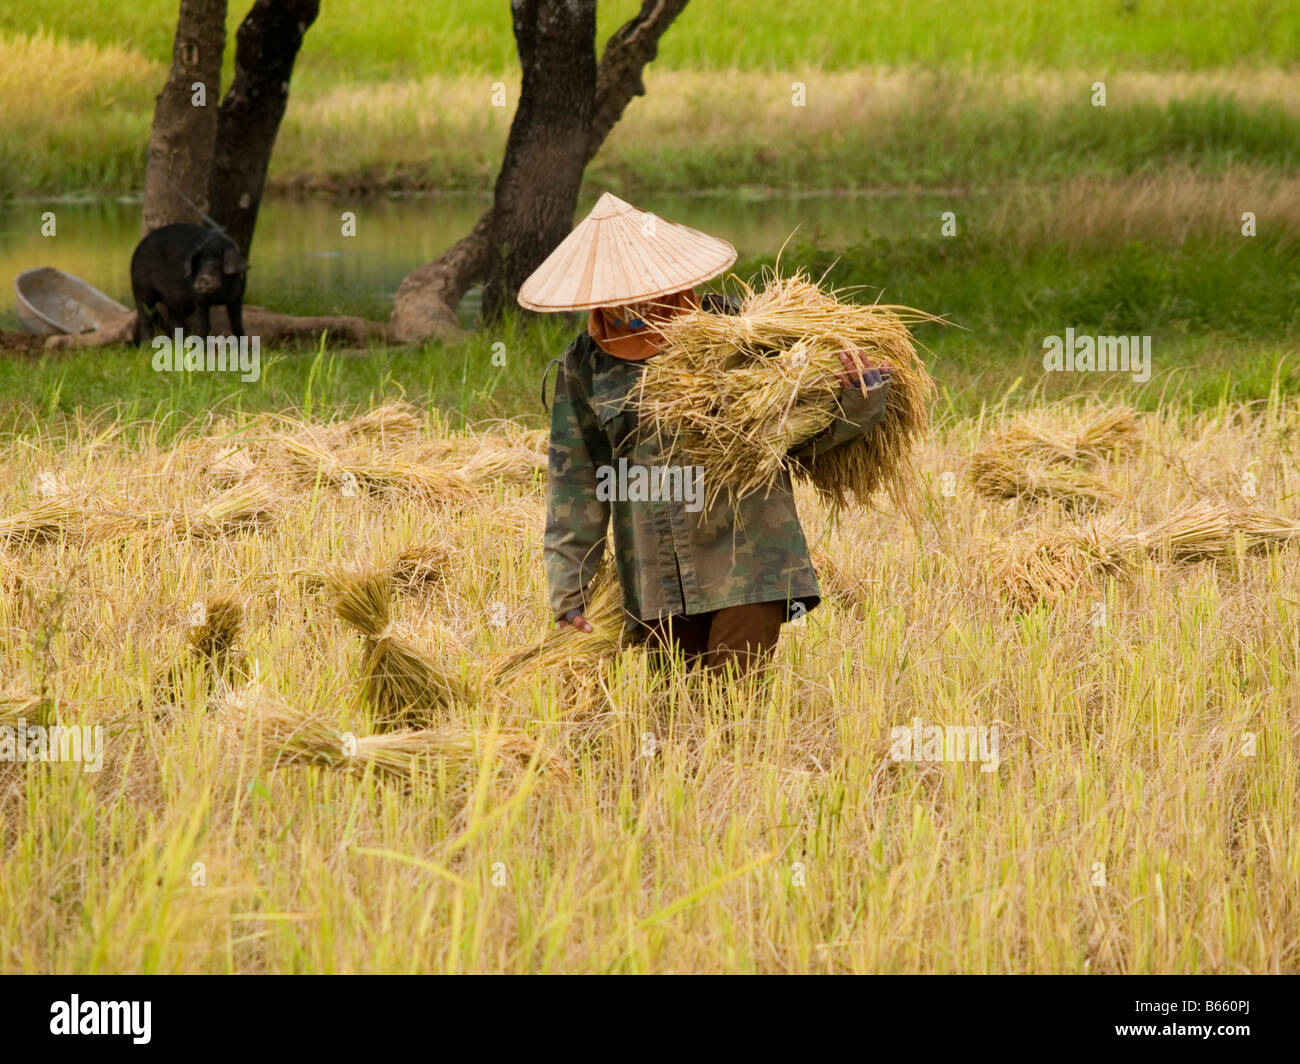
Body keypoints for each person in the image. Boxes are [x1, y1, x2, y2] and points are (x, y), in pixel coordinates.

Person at [519, 193, 891, 678]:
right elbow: (576, 485)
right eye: (614, 293)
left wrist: (858, 398)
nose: (631, 302)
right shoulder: (584, 366)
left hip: (747, 559)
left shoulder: (742, 334)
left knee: (732, 701)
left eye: (641, 286)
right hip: (654, 578)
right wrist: (570, 589)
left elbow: (797, 441)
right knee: (677, 714)